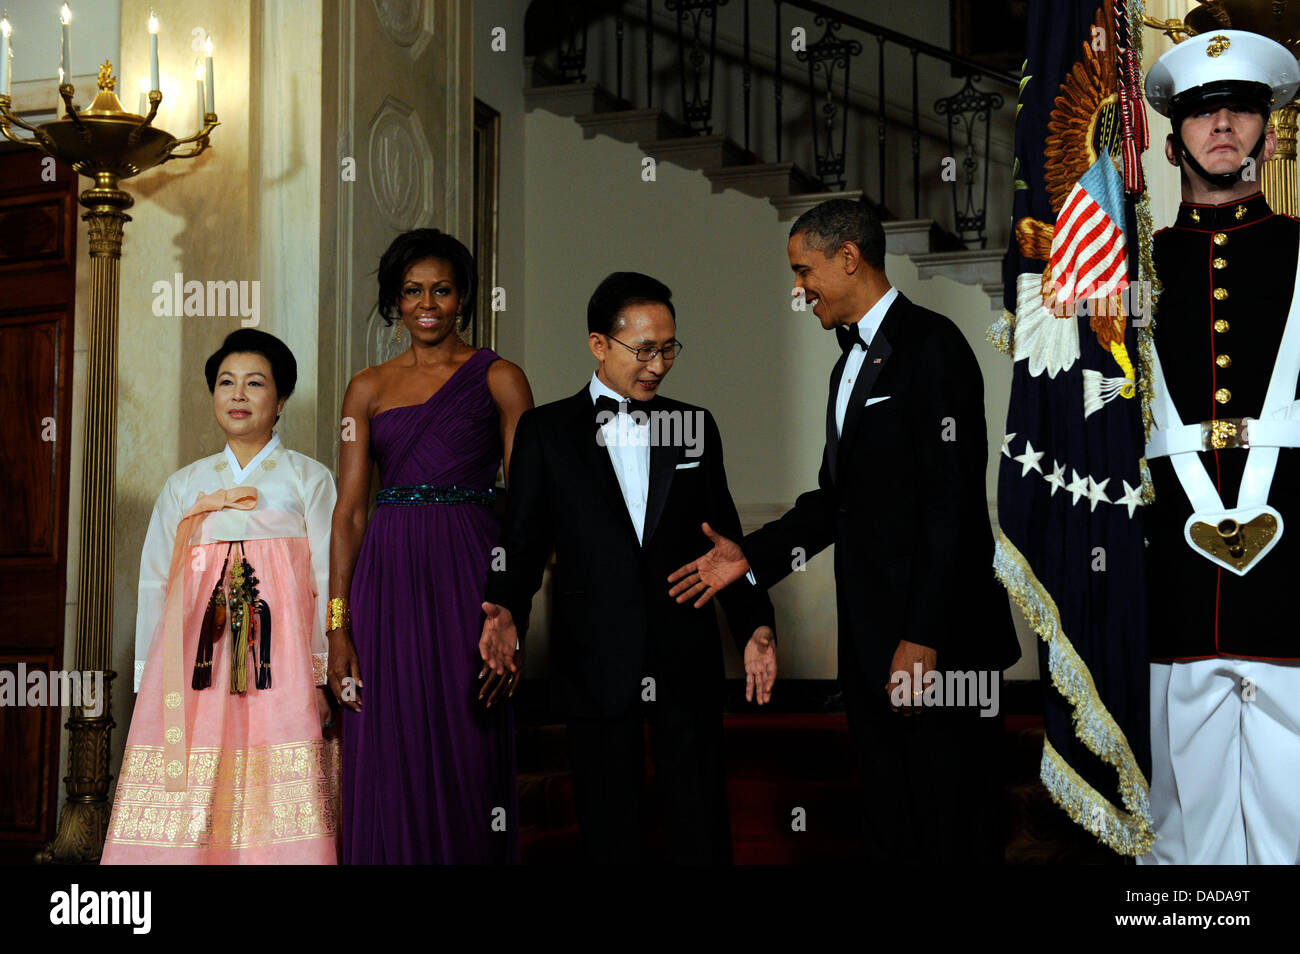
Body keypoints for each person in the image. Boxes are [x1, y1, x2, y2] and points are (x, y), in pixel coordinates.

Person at [669, 199, 1020, 863]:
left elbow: (952, 506)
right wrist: (746, 562)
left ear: (849, 259)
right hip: (870, 650)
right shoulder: (846, 365)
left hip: (936, 651)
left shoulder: (934, 347)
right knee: (891, 831)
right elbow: (835, 503)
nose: (798, 290)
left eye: (804, 271)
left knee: (953, 832)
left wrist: (921, 638)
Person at [478, 271, 778, 864]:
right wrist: (506, 608)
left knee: (699, 822)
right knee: (609, 825)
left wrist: (755, 627)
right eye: (644, 349)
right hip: (593, 654)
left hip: (683, 647)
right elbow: (523, 541)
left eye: (668, 348)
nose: (659, 364)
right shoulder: (546, 432)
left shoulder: (695, 425)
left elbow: (725, 543)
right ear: (598, 345)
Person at [1139, 30, 1300, 865]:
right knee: (1185, 821)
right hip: (1173, 567)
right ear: (1173, 142)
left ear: (1271, 137)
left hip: (1294, 567)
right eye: (1203, 111)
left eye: (1242, 108)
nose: (1224, 123)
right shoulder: (1130, 273)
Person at [328, 228, 532, 864]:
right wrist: (338, 625)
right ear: (395, 299)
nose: (427, 303)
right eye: (412, 290)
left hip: (470, 573)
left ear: (463, 298)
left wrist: (512, 614)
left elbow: (530, 507)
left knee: (466, 742)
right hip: (385, 577)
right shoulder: (365, 388)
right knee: (384, 742)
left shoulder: (501, 379)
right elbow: (351, 511)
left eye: (441, 290)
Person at [102, 329, 339, 863]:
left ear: (280, 400)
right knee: (195, 767)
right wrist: (151, 676)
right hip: (195, 665)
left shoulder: (310, 480)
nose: (238, 394)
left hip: (284, 664)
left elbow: (328, 577)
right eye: (226, 383)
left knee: (275, 765)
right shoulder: (185, 486)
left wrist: (323, 669)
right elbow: (154, 584)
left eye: (255, 383)